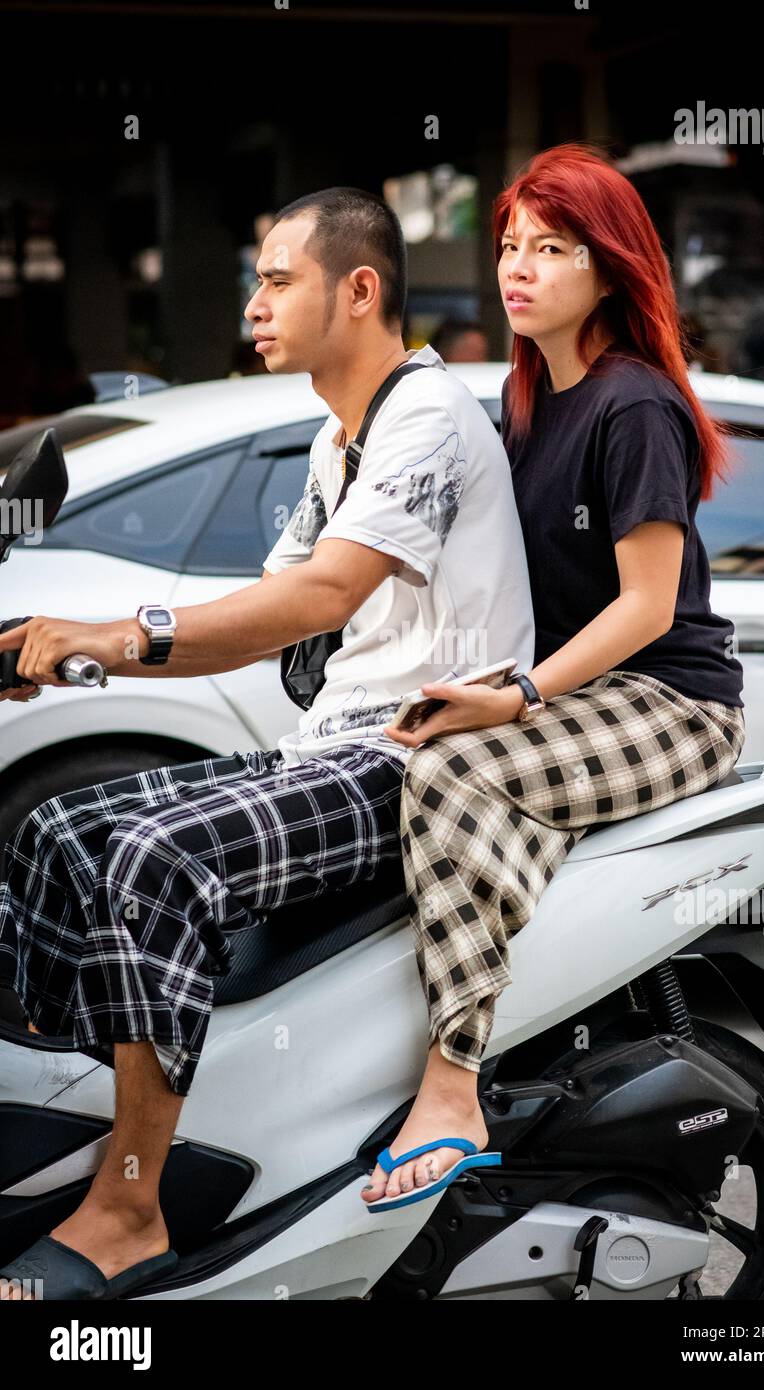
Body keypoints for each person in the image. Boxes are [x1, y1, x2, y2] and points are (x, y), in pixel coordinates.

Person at [0, 187, 534, 1298]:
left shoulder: (426, 415)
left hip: (410, 763)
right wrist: (57, 652)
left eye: (275, 278)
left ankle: (132, 1204)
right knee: (55, 829)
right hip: (327, 747)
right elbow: (267, 612)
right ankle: (118, 1122)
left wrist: (112, 628)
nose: (253, 304)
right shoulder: (340, 434)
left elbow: (321, 594)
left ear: (357, 289)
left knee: (157, 861)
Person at [361, 143, 747, 1210]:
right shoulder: (526, 404)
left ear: (609, 267)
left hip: (674, 705)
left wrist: (517, 696)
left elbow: (646, 607)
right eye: (508, 246)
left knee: (450, 777)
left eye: (550, 248)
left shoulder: (633, 405)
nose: (516, 268)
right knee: (392, 760)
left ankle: (450, 1088)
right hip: (581, 698)